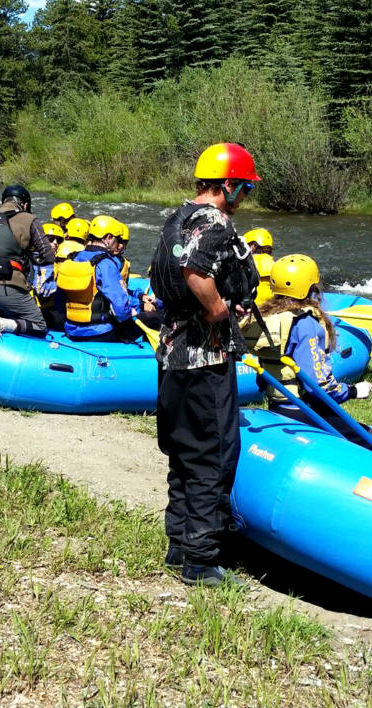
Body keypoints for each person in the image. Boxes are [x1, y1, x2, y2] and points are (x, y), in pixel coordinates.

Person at [151, 142, 262, 586]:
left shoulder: (177, 217)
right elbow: (196, 272)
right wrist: (218, 310)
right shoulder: (215, 223)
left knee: (183, 449)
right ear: (229, 185)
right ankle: (201, 559)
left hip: (172, 352)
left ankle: (179, 542)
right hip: (205, 355)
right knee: (214, 454)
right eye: (245, 189)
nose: (246, 198)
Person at [249, 254, 371, 437]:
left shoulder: (268, 316)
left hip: (278, 404)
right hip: (305, 409)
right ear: (311, 286)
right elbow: (318, 385)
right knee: (370, 437)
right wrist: (354, 391)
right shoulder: (305, 323)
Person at [0, 184, 57, 358]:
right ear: (26, 205)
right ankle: (1, 324)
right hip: (8, 288)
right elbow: (48, 255)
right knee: (39, 324)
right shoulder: (29, 219)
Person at [60, 215, 145, 343]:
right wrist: (134, 310)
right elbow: (121, 309)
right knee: (150, 320)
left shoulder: (74, 257)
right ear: (109, 238)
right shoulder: (106, 263)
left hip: (70, 328)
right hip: (100, 332)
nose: (118, 245)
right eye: (117, 240)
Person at [32, 222, 65, 303]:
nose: (55, 242)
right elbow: (42, 291)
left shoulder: (58, 260)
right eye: (51, 239)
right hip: (40, 306)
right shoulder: (38, 261)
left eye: (58, 240)